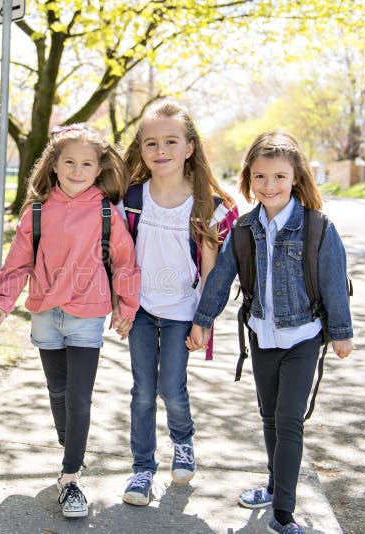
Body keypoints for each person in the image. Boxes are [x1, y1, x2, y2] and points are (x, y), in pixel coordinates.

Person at [187, 131, 353, 534]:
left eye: (279, 176)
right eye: (260, 177)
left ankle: (283, 513)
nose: (269, 186)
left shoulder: (317, 227)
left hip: (303, 337)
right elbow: (221, 277)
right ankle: (274, 483)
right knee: (269, 417)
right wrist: (203, 320)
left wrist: (342, 331)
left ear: (295, 178)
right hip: (261, 336)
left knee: (289, 420)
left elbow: (334, 280)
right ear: (248, 179)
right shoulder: (244, 229)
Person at [0, 123, 140, 518]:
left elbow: (124, 263)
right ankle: (71, 446)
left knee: (79, 398)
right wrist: (1, 303)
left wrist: (126, 308)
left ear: (98, 169)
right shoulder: (37, 211)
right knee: (58, 393)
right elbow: (17, 262)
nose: (78, 170)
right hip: (44, 313)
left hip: (87, 317)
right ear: (54, 165)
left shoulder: (107, 213)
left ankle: (70, 477)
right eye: (69, 162)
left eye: (87, 164)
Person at [118, 99, 238, 506]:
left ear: (189, 147)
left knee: (172, 388)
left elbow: (211, 272)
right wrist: (121, 303)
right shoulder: (131, 198)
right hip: (141, 311)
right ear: (141, 148)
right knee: (141, 392)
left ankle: (183, 443)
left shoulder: (208, 206)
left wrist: (203, 321)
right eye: (151, 143)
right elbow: (118, 255)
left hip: (183, 314)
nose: (160, 150)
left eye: (171, 141)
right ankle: (141, 470)